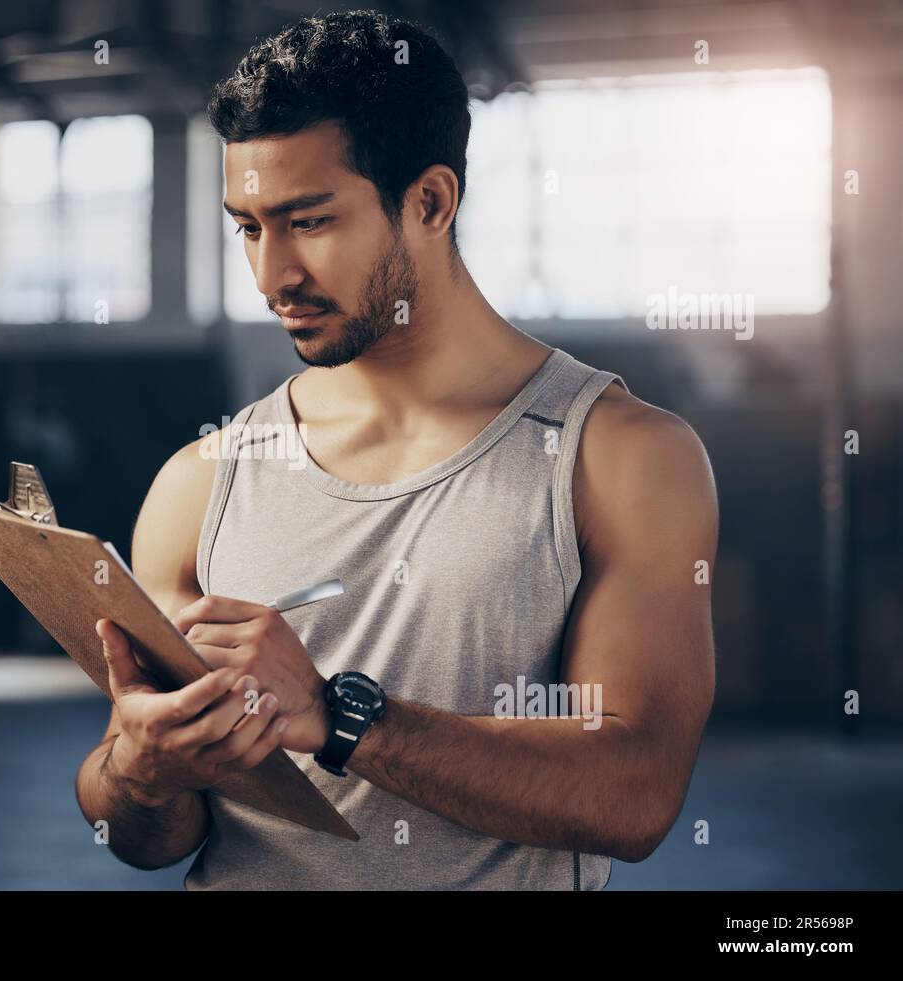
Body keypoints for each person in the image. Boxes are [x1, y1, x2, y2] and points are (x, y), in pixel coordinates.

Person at [75, 10, 717, 890]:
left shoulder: (621, 457)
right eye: (249, 227)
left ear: (430, 201)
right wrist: (142, 771)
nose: (272, 275)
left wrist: (343, 720)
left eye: (309, 220)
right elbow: (149, 834)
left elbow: (635, 794)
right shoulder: (201, 483)